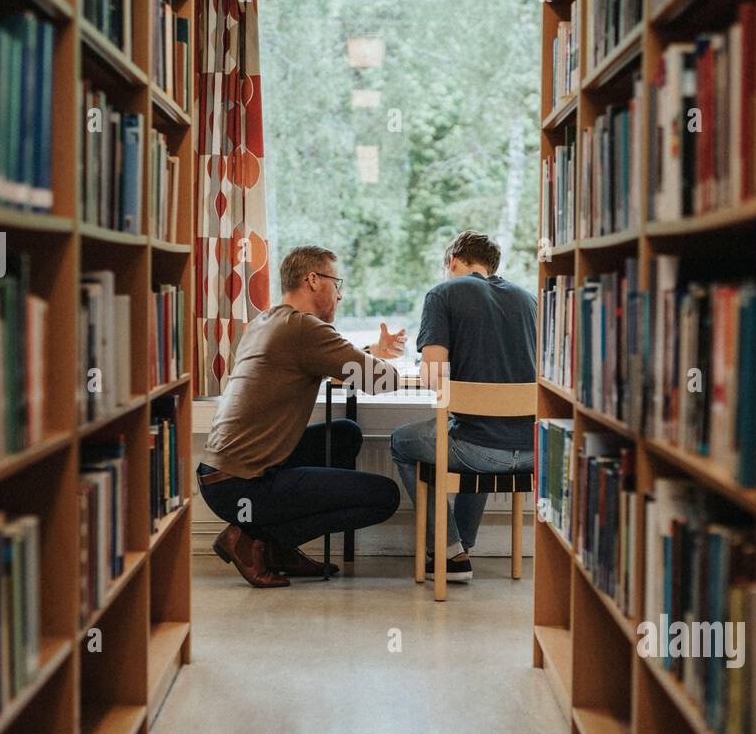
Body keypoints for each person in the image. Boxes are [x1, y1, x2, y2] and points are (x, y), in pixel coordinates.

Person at [199, 245, 407, 588]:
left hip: (220, 475)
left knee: (345, 434)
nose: (340, 295)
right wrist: (416, 367)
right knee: (385, 497)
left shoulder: (267, 320)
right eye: (337, 284)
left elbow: (329, 362)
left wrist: (375, 353)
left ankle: (278, 548)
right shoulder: (304, 329)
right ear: (313, 280)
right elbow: (381, 380)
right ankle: (252, 541)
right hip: (241, 485)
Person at [390, 231, 537, 582]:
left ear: (453, 262)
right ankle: (461, 549)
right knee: (474, 426)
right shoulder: (529, 299)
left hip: (481, 452)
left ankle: (450, 551)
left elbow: (432, 376)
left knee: (401, 443)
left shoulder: (443, 293)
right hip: (533, 450)